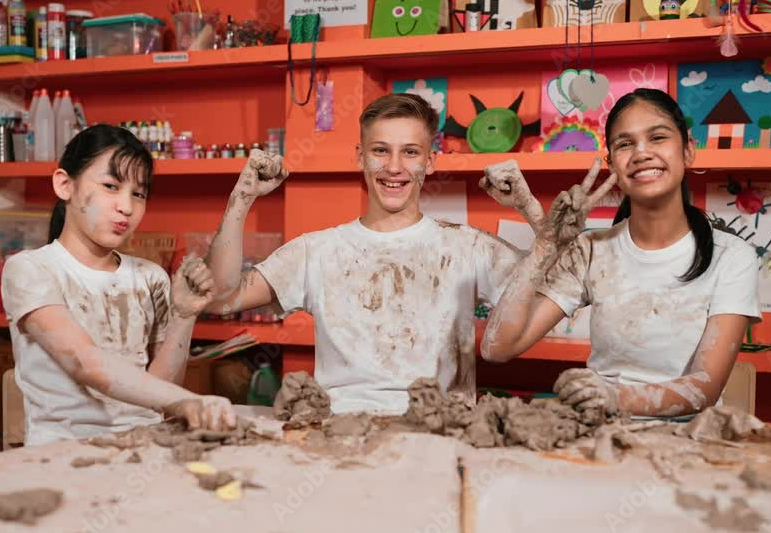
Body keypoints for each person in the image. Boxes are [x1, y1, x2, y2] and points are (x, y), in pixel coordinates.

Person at [187, 93, 560, 415]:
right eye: (380, 150)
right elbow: (221, 297)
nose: (394, 167)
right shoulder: (316, 250)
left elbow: (559, 288)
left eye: (410, 152)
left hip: (442, 431)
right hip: (340, 433)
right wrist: (241, 199)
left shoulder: (468, 246)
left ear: (430, 162)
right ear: (360, 157)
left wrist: (530, 210)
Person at [481, 88, 761, 418]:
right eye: (625, 144)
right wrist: (545, 246)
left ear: (687, 151)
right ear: (611, 163)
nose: (642, 153)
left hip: (687, 440)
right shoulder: (591, 249)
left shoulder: (732, 255)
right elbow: (497, 348)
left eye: (657, 138)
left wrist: (614, 397)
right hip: (601, 435)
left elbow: (703, 386)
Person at [1, 124, 235, 446]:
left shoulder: (150, 276)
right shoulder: (30, 269)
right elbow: (86, 363)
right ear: (65, 185)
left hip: (144, 444)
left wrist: (184, 315)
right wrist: (185, 401)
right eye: (111, 186)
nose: (126, 206)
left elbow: (157, 389)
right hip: (66, 451)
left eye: (138, 194)